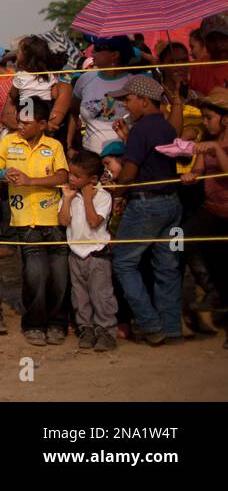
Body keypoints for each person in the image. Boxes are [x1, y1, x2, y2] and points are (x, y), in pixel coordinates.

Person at [0, 97, 70, 346]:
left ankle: (57, 323)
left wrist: (30, 181)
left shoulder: (54, 146)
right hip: (24, 219)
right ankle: (33, 324)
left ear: (42, 124)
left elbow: (63, 175)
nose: (20, 125)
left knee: (59, 273)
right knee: (35, 273)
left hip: (53, 218)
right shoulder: (8, 142)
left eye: (26, 121)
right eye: (19, 120)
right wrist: (4, 174)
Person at [109, 74, 183, 345]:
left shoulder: (141, 129)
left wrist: (116, 192)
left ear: (143, 100)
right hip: (172, 204)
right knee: (168, 267)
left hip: (146, 205)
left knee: (124, 262)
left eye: (128, 99)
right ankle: (172, 328)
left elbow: (129, 174)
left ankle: (151, 325)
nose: (125, 105)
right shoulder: (166, 127)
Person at [179, 86, 228, 348]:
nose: (205, 122)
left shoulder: (217, 143)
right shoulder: (205, 141)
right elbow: (197, 172)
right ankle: (210, 289)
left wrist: (214, 148)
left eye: (209, 117)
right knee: (183, 238)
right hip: (211, 209)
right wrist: (191, 176)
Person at [59, 150, 117, 351]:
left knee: (101, 295)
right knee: (80, 296)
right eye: (71, 174)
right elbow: (64, 220)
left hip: (96, 255)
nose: (71, 179)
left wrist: (86, 198)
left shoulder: (102, 197)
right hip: (76, 254)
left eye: (77, 176)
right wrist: (67, 199)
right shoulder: (70, 194)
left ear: (92, 178)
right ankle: (86, 329)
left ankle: (106, 331)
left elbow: (94, 222)